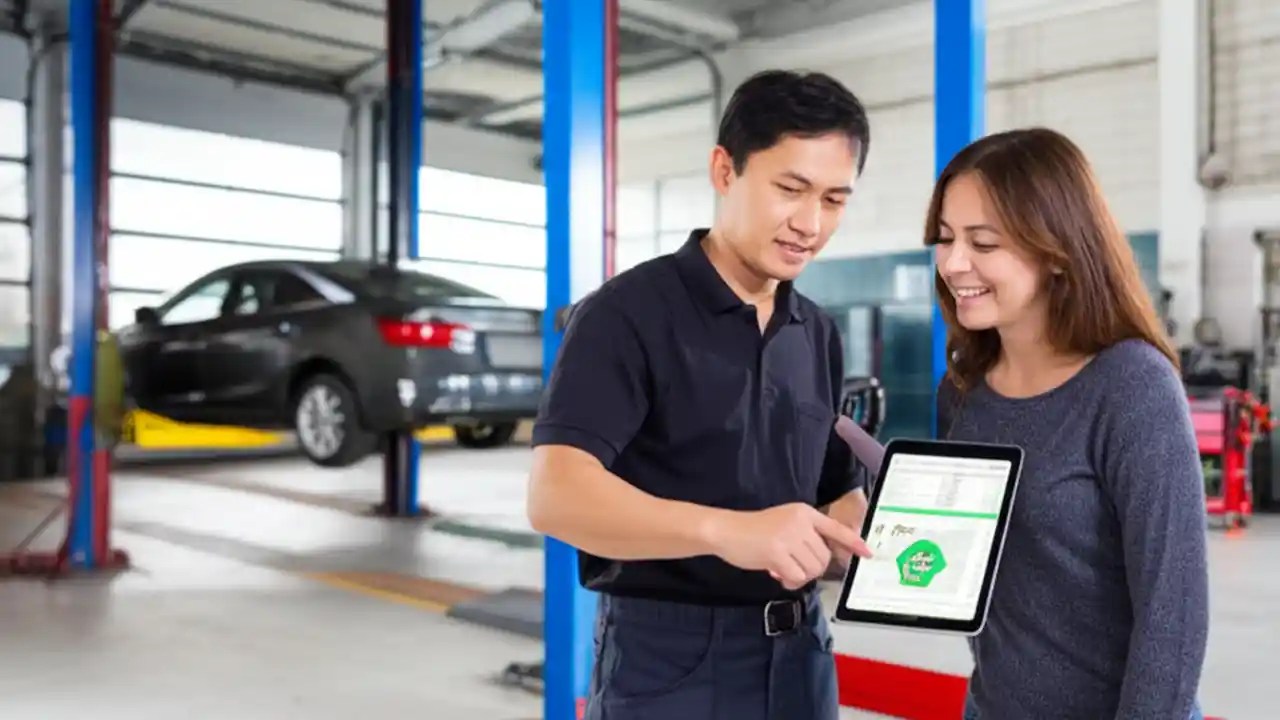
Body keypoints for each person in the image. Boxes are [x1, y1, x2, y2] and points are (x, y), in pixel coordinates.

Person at [526, 69, 874, 720]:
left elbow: (835, 489)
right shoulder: (627, 314)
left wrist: (868, 536)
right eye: (790, 189)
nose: (810, 222)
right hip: (670, 658)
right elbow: (556, 496)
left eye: (833, 200)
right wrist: (725, 532)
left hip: (803, 650)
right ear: (724, 170)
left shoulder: (817, 331)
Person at [926, 127, 1209, 719]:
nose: (953, 263)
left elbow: (1173, 611)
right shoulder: (962, 393)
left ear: (1055, 252)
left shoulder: (1131, 386)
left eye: (983, 242)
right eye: (945, 238)